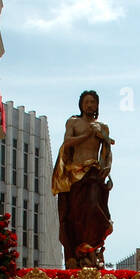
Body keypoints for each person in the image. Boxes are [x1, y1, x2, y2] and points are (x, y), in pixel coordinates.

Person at [52, 90, 114, 268]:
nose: (89, 105)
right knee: (74, 214)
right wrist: (87, 135)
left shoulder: (103, 126)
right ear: (81, 105)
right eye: (86, 102)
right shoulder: (73, 122)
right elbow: (67, 142)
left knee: (93, 205)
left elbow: (107, 150)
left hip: (93, 173)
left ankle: (92, 244)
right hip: (74, 174)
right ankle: (77, 250)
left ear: (97, 105)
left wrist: (108, 167)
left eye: (93, 102)